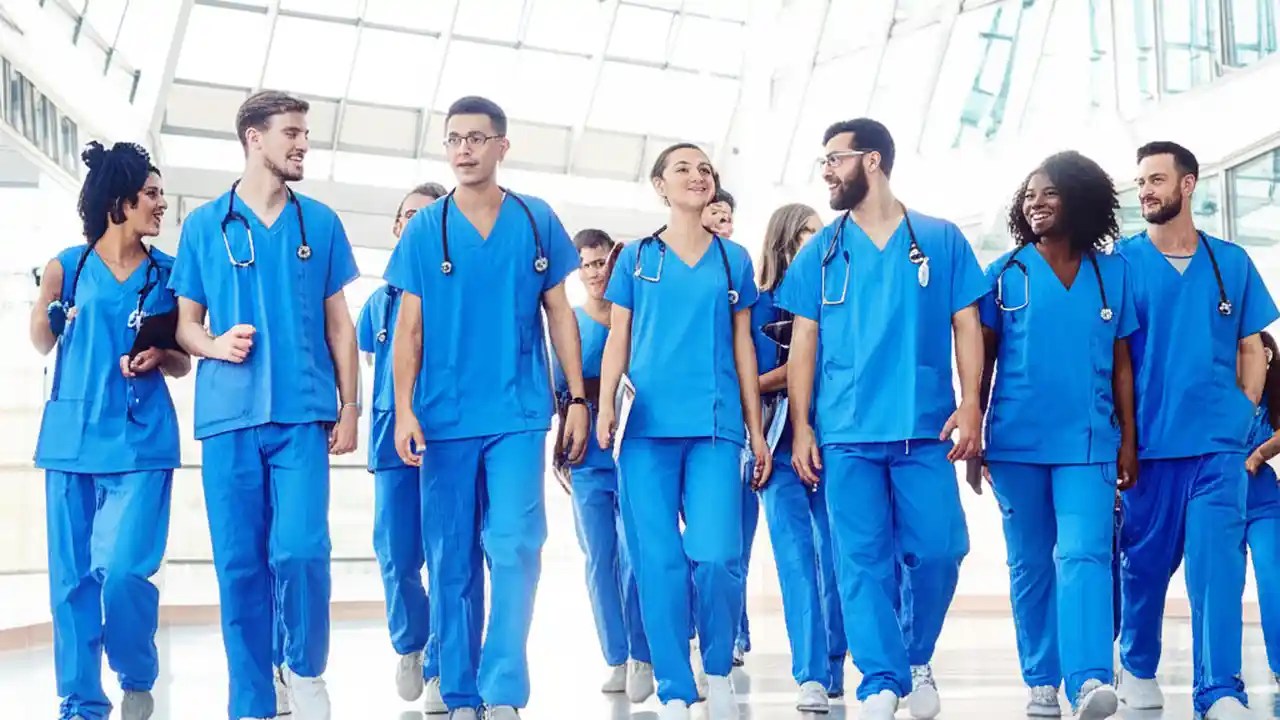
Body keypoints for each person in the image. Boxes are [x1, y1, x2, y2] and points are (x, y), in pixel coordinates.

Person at [385, 95, 590, 720]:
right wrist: (404, 409)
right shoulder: (428, 228)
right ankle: (461, 690)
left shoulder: (534, 220)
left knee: (516, 543)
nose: (464, 149)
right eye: (453, 139)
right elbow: (409, 331)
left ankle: (503, 687)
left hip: (518, 412)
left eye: (476, 138)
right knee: (451, 555)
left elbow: (560, 313)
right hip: (443, 417)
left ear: (502, 145)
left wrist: (576, 397)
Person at [778, 118, 983, 720]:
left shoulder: (940, 240)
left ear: (871, 161)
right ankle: (881, 681)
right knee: (859, 559)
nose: (826, 172)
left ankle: (915, 653)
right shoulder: (822, 250)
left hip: (925, 429)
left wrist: (972, 403)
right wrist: (803, 426)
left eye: (834, 159)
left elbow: (966, 324)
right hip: (845, 433)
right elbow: (804, 344)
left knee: (943, 547)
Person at [170, 90, 361, 720]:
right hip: (229, 417)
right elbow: (186, 326)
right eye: (292, 133)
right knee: (240, 564)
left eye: (305, 133)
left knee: (302, 548)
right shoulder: (204, 226)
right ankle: (252, 699)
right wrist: (215, 344)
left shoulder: (321, 223)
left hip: (304, 413)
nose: (304, 143)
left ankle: (302, 669)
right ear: (255, 137)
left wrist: (351, 405)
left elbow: (340, 325)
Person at [596, 141, 771, 720]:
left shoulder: (733, 261)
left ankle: (716, 668)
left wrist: (757, 430)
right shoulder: (637, 259)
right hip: (644, 432)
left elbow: (745, 348)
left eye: (705, 169)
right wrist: (602, 408)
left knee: (718, 555)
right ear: (659, 186)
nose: (696, 176)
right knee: (659, 561)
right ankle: (674, 685)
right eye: (682, 168)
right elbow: (619, 338)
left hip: (717, 431)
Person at [1115, 141, 1276, 720]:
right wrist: (1122, 438)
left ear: (1187, 185)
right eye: (1140, 183)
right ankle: (1137, 664)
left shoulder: (1229, 262)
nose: (1145, 191)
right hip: (1150, 447)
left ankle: (1220, 690)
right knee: (1146, 565)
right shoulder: (1122, 263)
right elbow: (1115, 359)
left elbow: (1252, 346)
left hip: (1217, 446)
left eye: (1156, 179)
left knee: (1218, 569)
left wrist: (1241, 411)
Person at [31, 141, 188, 720]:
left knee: (122, 571)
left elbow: (180, 358)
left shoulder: (168, 275)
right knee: (72, 583)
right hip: (70, 442)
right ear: (119, 202)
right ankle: (81, 704)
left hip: (141, 442)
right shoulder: (65, 267)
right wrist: (46, 309)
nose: (161, 205)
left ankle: (136, 668)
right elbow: (42, 341)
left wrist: (159, 357)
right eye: (151, 194)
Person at [974, 151, 1134, 719]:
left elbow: (1122, 366)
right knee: (1030, 563)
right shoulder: (1004, 275)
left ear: (1080, 199)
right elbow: (982, 364)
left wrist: (1130, 443)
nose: (1034, 204)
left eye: (1049, 194)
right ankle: (1041, 678)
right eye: (1028, 196)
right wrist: (975, 434)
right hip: (1016, 442)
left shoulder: (1111, 272)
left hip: (1090, 442)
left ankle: (1089, 678)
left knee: (1086, 553)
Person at [354, 181, 448, 712]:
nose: (413, 223)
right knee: (395, 550)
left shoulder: (448, 292)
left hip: (445, 432)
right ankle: (411, 643)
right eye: (406, 215)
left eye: (425, 215)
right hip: (392, 437)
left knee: (448, 550)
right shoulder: (377, 302)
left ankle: (442, 661)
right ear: (396, 226)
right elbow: (375, 365)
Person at [750, 202, 847, 711]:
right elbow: (744, 377)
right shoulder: (758, 305)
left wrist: (790, 374)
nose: (815, 238)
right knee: (794, 563)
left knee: (837, 558)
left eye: (820, 231)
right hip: (774, 449)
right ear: (785, 238)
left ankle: (833, 664)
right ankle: (809, 672)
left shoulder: (837, 299)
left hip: (831, 446)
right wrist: (788, 375)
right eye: (806, 231)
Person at [552, 228, 656, 703]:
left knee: (636, 553)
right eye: (587, 265)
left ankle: (641, 652)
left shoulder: (632, 318)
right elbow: (559, 391)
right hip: (587, 459)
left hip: (632, 450)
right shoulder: (569, 323)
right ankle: (616, 655)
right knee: (599, 558)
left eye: (602, 263)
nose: (596, 272)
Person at [1244, 330, 1280, 689]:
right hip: (1219, 500)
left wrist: (1260, 453)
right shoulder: (1224, 389)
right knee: (1220, 584)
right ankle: (1218, 672)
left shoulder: (1275, 394)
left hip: (1263, 499)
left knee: (1273, 578)